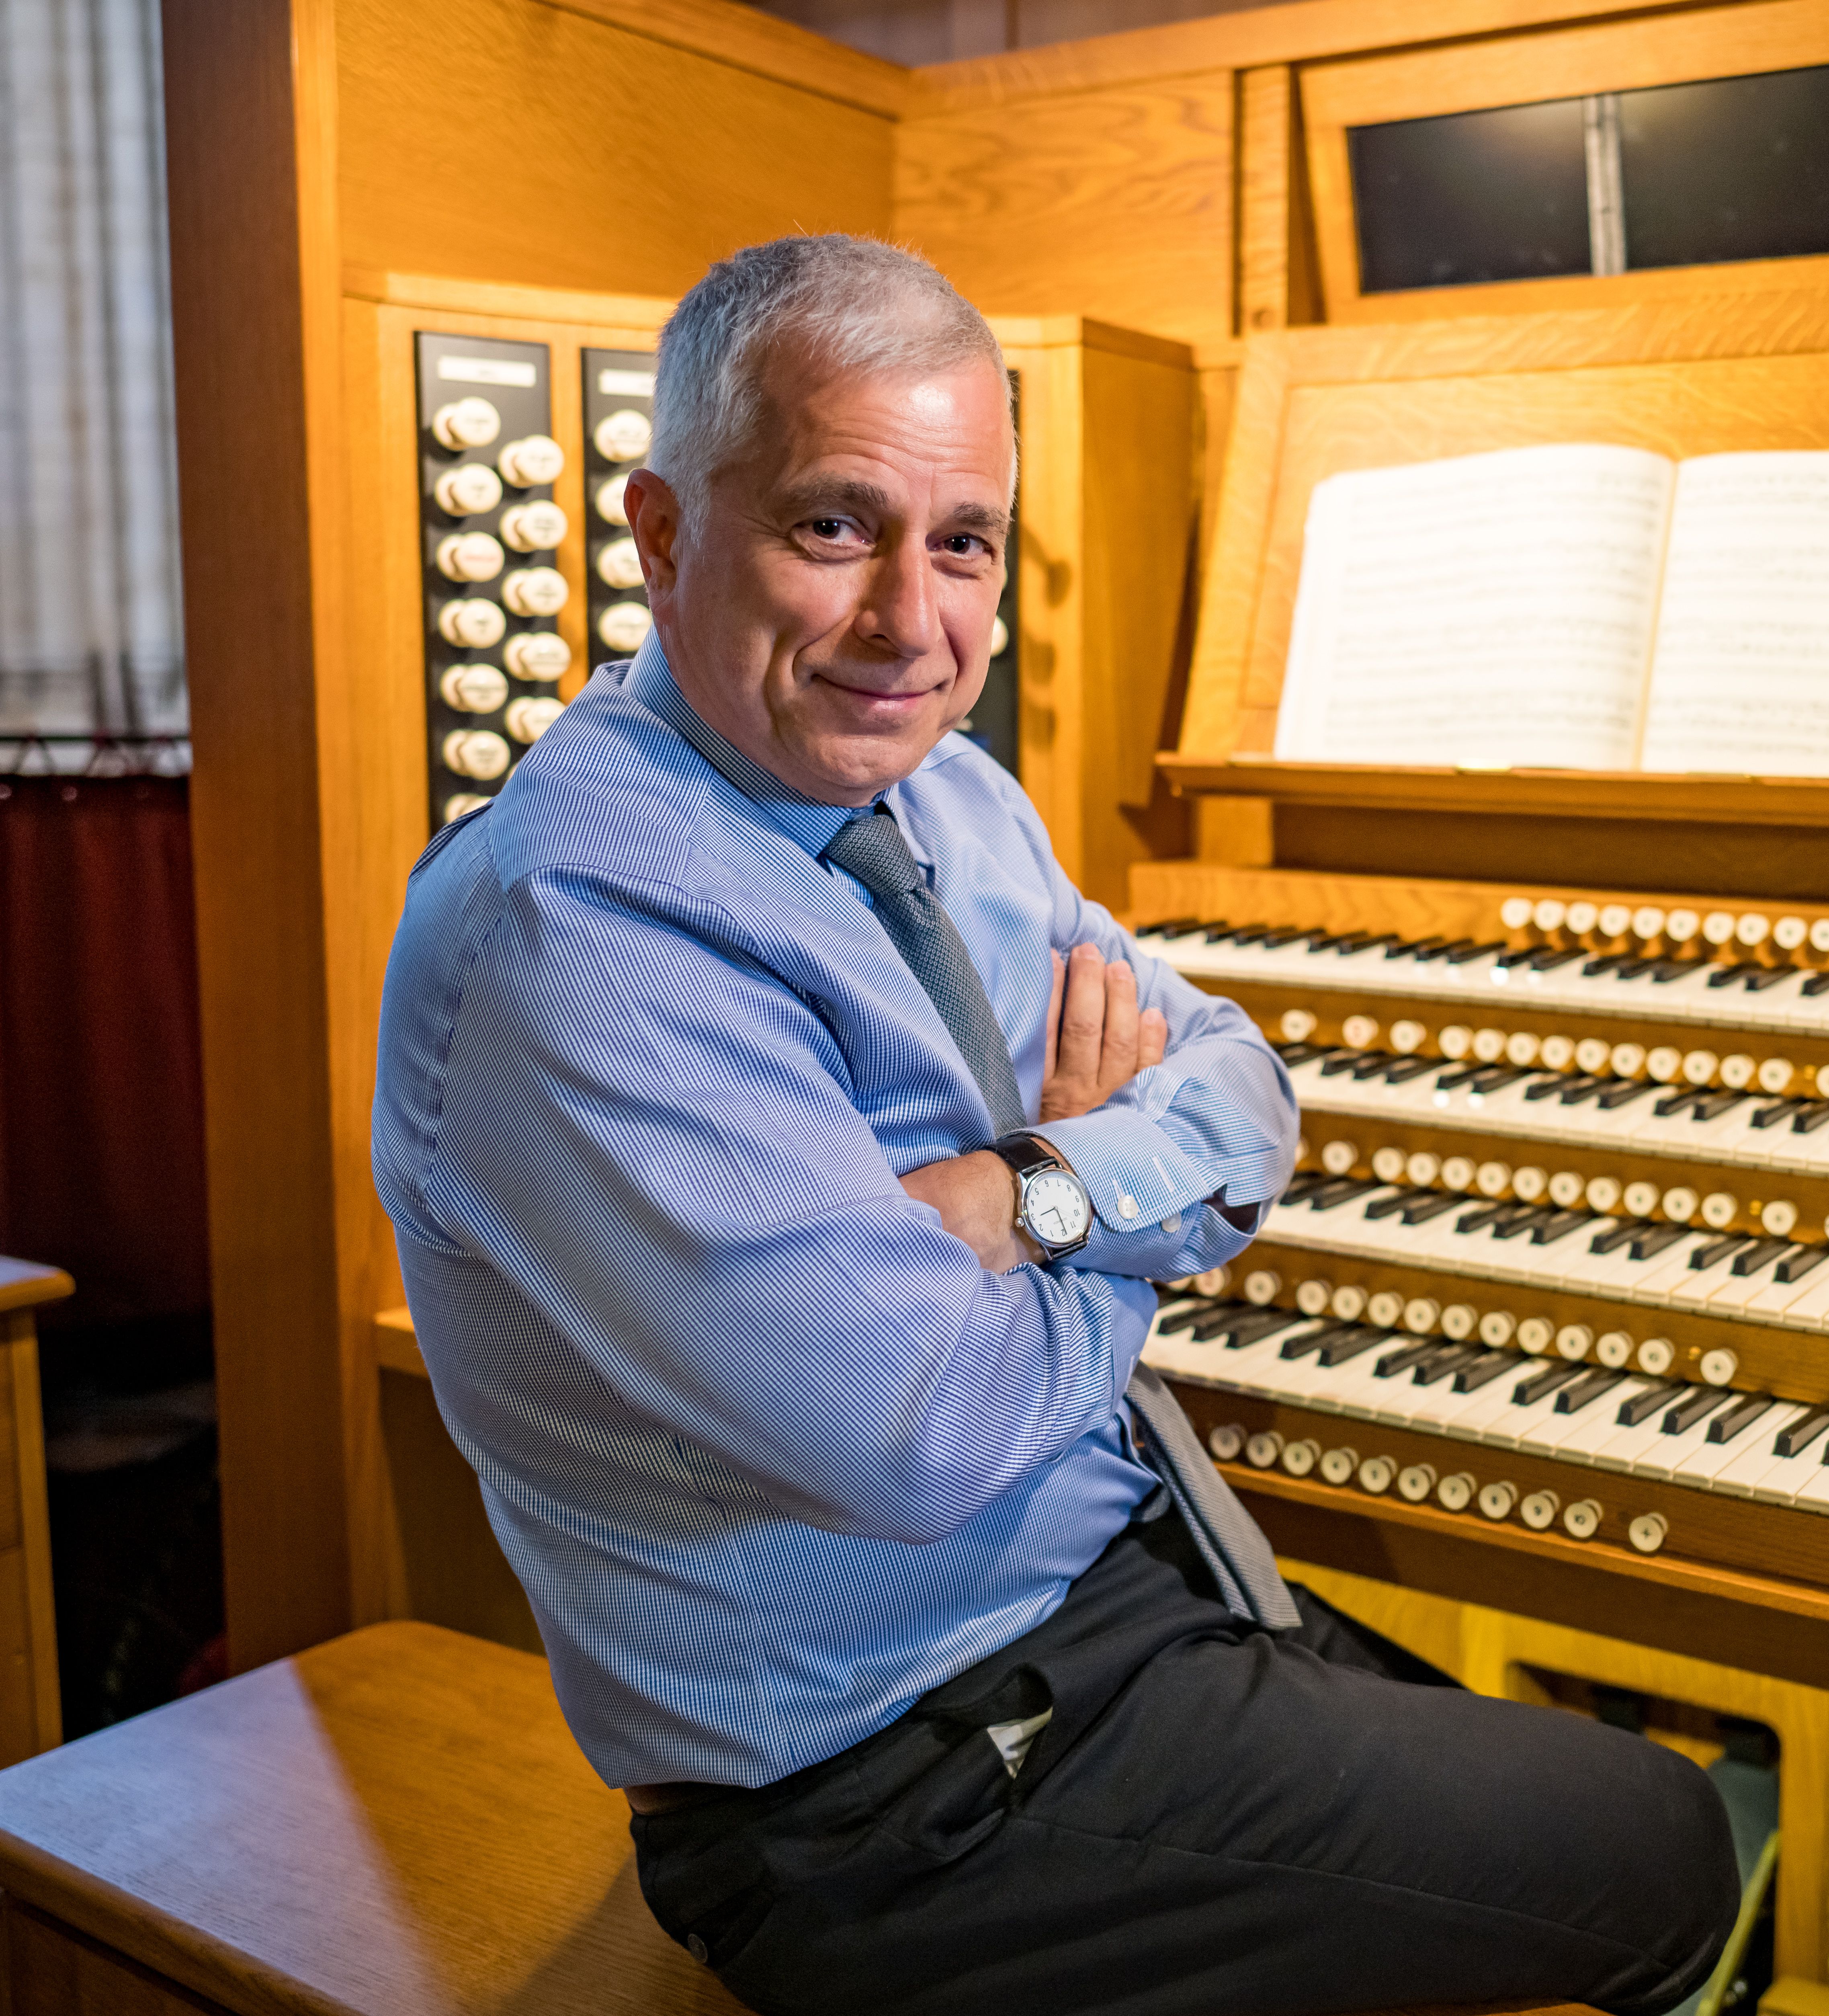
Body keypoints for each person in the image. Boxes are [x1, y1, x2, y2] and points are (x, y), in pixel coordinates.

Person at [371, 234, 1739, 2016]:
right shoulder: (581, 933)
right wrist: (1122, 1187)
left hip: (1118, 1586)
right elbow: (920, 1438)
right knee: (1673, 1851)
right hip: (881, 1796)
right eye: (833, 527)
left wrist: (1041, 1187)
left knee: (1565, 1808)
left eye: (966, 545)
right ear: (657, 533)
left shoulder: (957, 799)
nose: (912, 627)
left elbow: (1244, 1085)